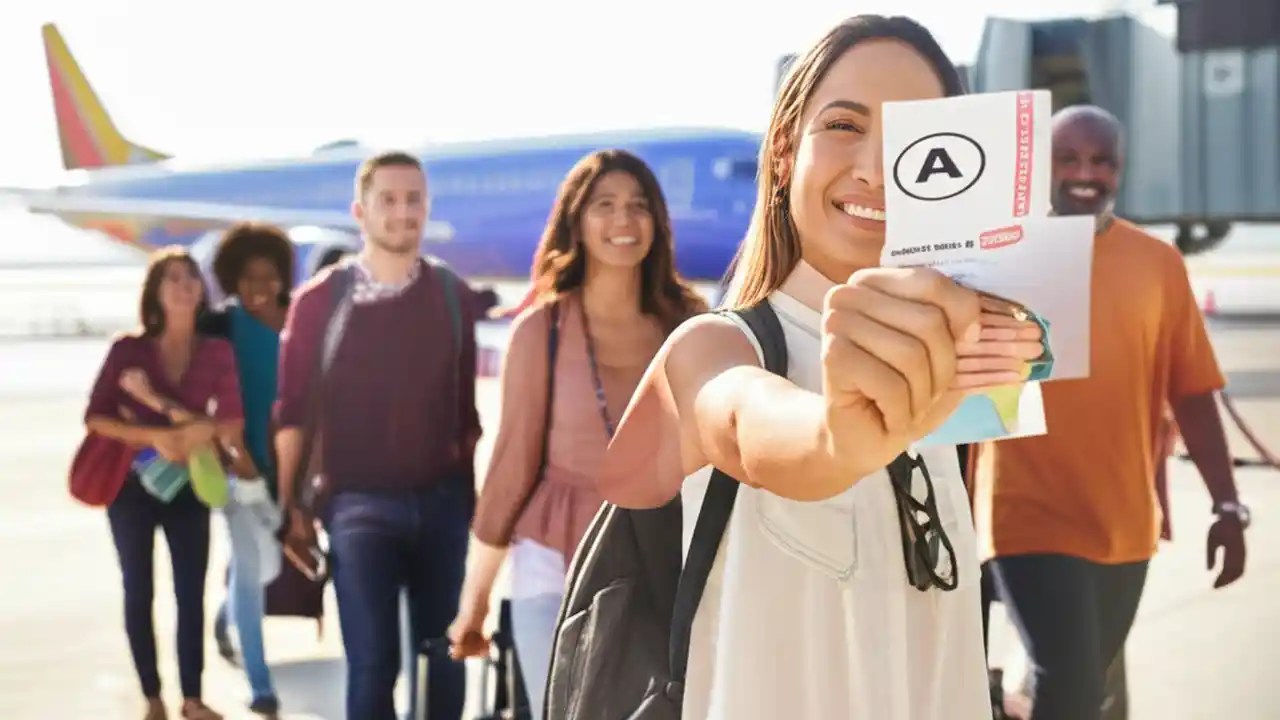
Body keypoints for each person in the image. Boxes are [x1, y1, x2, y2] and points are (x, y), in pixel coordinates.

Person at [593, 15, 1044, 718]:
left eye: (915, 137)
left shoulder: (956, 372)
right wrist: (838, 436)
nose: (874, 167)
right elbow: (753, 427)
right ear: (782, 153)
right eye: (842, 125)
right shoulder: (716, 349)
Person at [971, 104, 1249, 720]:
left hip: (1124, 520)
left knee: (1084, 682)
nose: (1085, 173)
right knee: (1067, 683)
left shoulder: (1158, 265)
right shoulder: (1001, 255)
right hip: (1024, 510)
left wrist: (1227, 505)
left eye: (1101, 160)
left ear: (1120, 170)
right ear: (1042, 165)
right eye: (1068, 158)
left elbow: (1194, 392)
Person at [446, 149, 708, 717]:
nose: (623, 221)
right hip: (551, 561)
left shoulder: (689, 324)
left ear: (657, 223)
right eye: (604, 206)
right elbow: (510, 468)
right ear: (576, 221)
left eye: (638, 206)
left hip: (664, 565)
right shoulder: (541, 329)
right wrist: (476, 602)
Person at [273, 151, 480, 720]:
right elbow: (291, 413)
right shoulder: (321, 302)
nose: (402, 212)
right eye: (388, 200)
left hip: (443, 506)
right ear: (359, 211)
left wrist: (469, 500)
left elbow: (466, 413)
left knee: (446, 657)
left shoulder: (449, 295)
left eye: (414, 199)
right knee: (373, 665)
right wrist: (289, 506)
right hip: (357, 508)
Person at [84, 247, 242, 720]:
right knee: (139, 589)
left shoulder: (217, 352)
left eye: (191, 276)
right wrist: (162, 435)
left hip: (190, 486)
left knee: (191, 591)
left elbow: (229, 427)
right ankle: (152, 697)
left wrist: (154, 402)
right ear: (154, 292)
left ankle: (192, 698)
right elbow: (96, 418)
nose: (183, 284)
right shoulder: (126, 349)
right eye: (171, 278)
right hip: (128, 487)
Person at [197, 222, 294, 719]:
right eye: (247, 276)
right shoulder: (220, 325)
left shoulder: (302, 320)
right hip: (236, 469)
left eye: (269, 276)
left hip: (290, 469)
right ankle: (261, 686)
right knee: (252, 568)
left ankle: (226, 616)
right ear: (231, 278)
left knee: (269, 567)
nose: (259, 286)